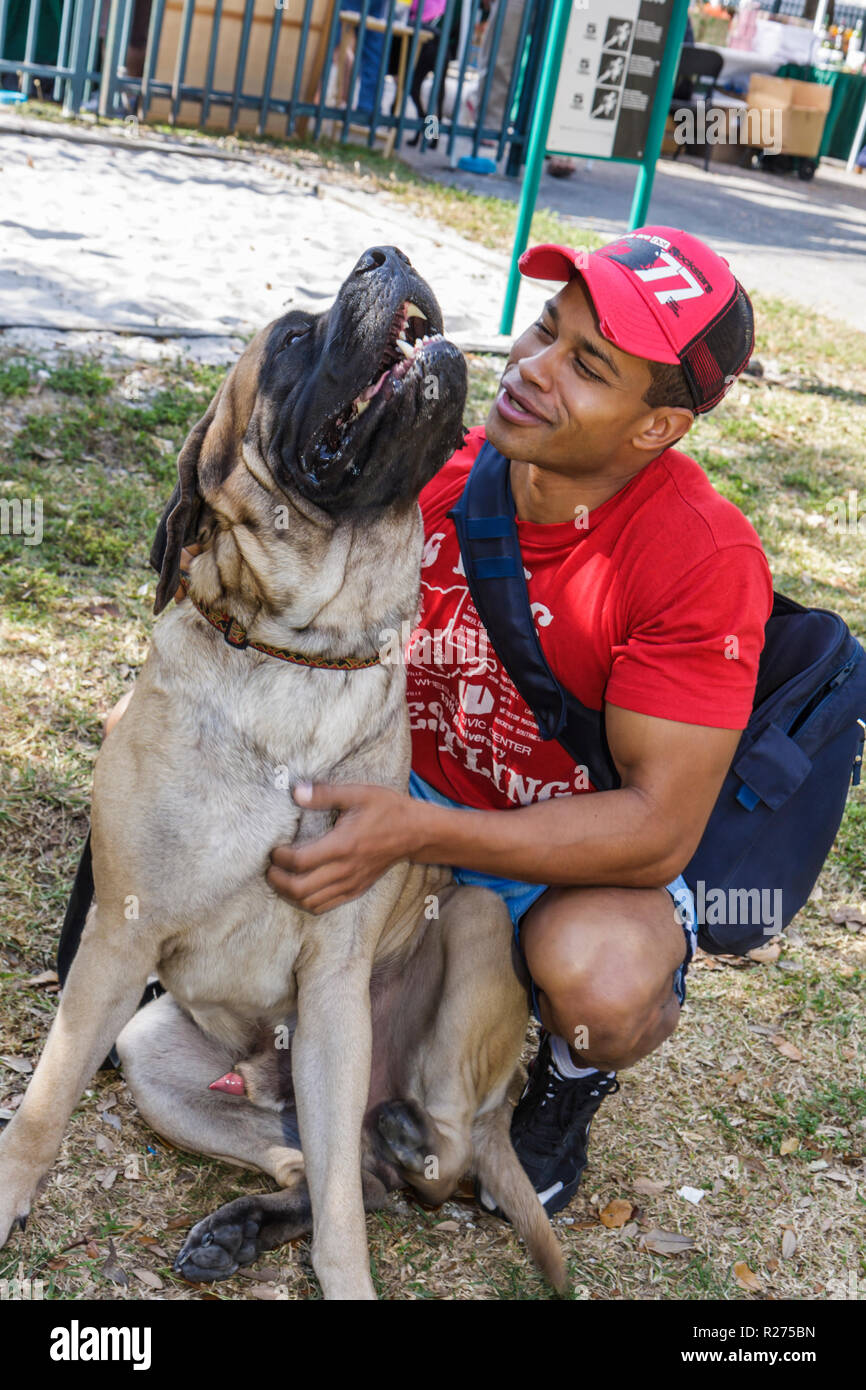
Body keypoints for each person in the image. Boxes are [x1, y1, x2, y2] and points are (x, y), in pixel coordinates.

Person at [265, 226, 774, 1216]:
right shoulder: (451, 457)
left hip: (561, 857)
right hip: (402, 780)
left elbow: (658, 827)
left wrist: (420, 831)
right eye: (544, 329)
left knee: (606, 976)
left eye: (586, 366)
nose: (532, 369)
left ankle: (559, 1093)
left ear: (653, 429)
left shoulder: (698, 558)